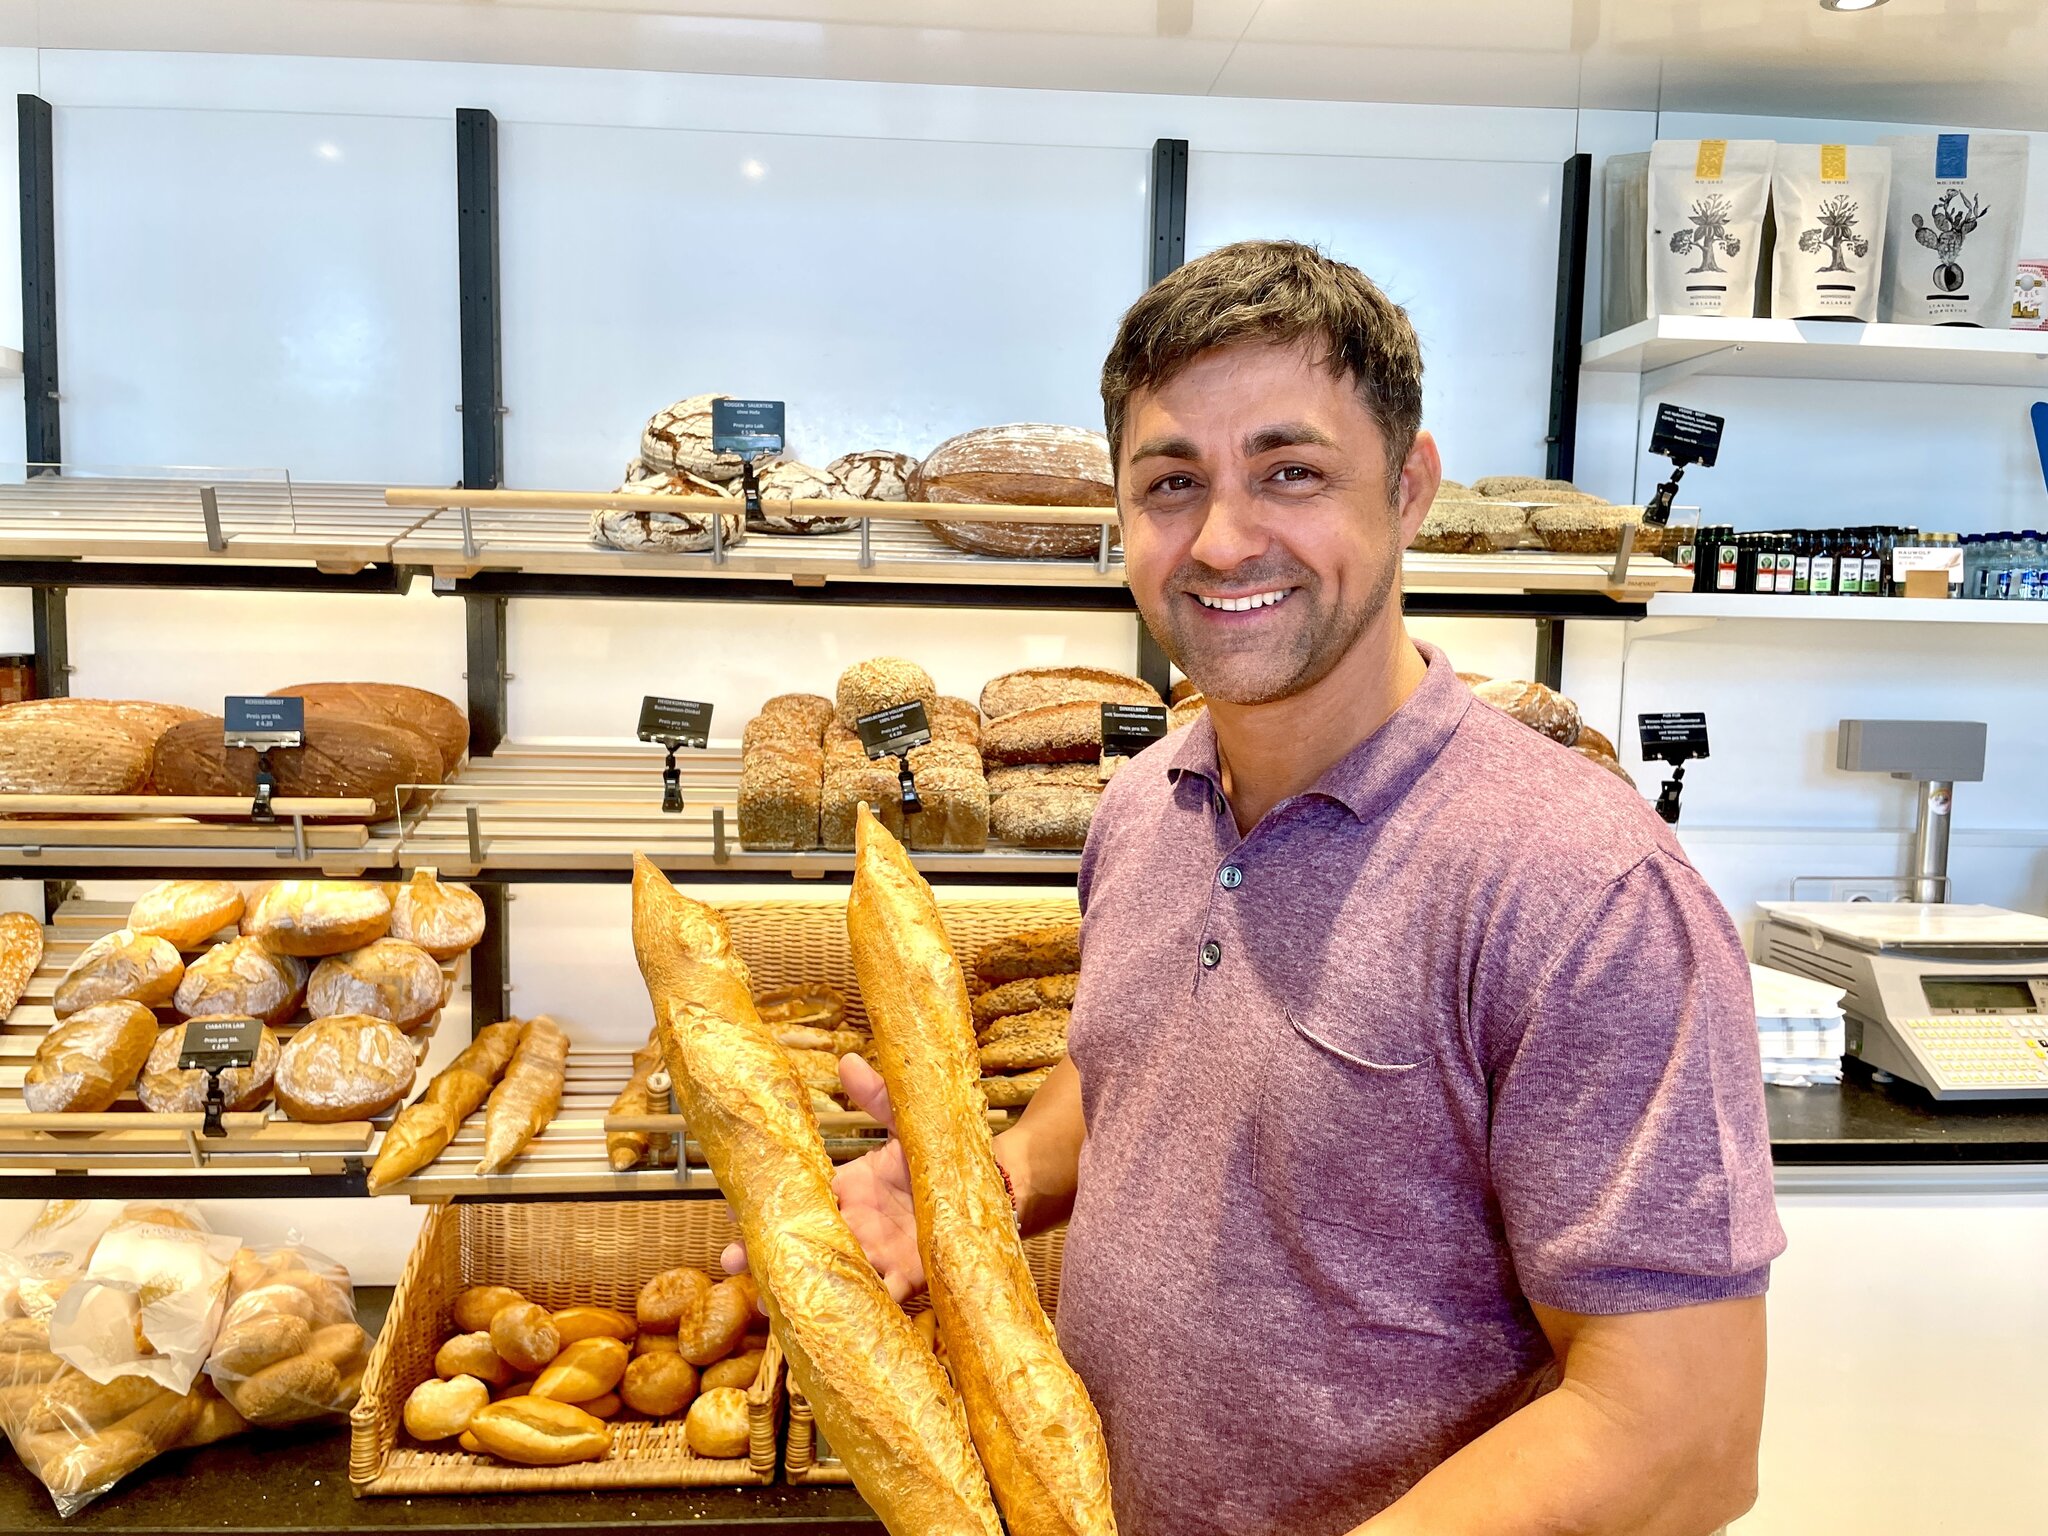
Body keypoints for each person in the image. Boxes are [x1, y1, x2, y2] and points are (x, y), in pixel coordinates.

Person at [773, 240, 1786, 1535]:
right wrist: (1000, 1175)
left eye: (1290, 472)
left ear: (1409, 490)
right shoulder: (1147, 805)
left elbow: (1683, 1433)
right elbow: (1148, 1067)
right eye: (1171, 483)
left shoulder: (1582, 890)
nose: (1223, 538)